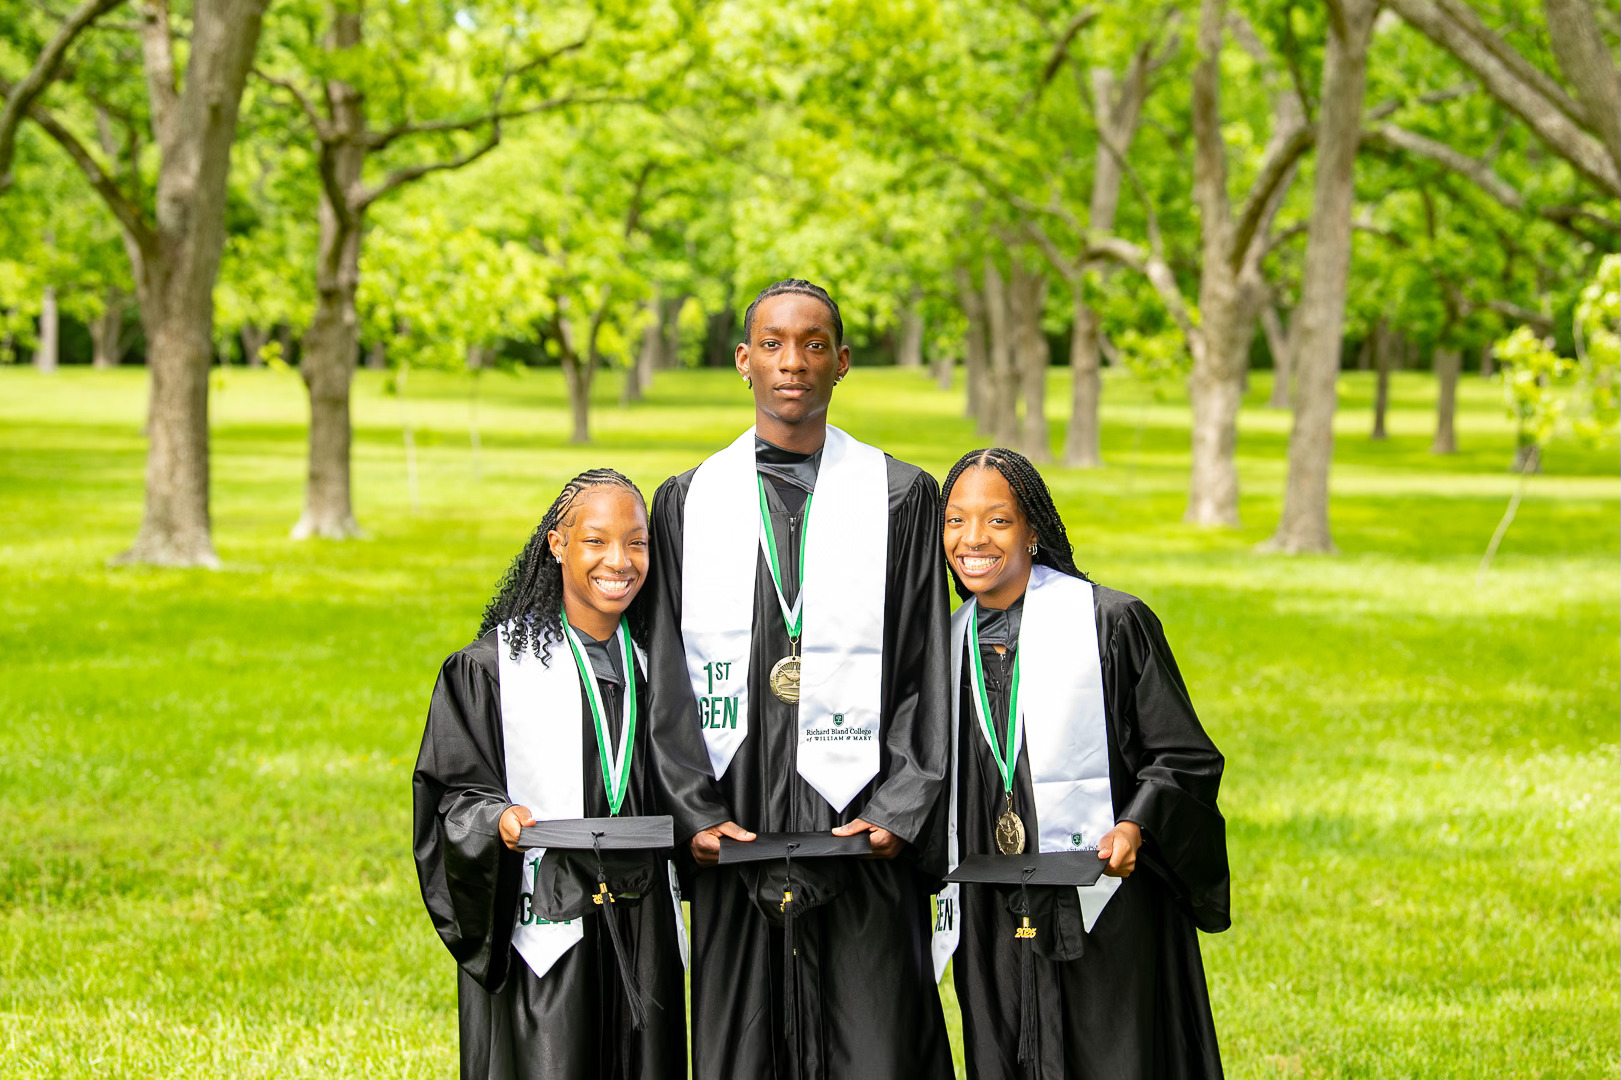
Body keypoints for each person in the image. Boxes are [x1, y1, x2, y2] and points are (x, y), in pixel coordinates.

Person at [645, 279, 955, 1079]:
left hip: (858, 826)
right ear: (743, 361)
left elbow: (925, 659)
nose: (794, 362)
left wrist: (898, 807)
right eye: (774, 345)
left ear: (842, 362)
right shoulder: (686, 501)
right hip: (735, 825)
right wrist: (695, 812)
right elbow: (669, 679)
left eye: (814, 345)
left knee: (875, 1040)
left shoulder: (901, 497)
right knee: (744, 1047)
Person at [931, 447, 1230, 1080]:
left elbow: (1182, 755)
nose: (972, 539)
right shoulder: (943, 645)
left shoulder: (1110, 623)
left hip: (1103, 900)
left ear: (1034, 530)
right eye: (955, 520)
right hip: (993, 906)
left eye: (998, 520)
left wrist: (1136, 825)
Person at [412, 469, 691, 1080]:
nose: (618, 560)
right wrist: (497, 818)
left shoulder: (662, 669)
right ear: (557, 544)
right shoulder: (492, 670)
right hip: (543, 925)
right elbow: (451, 793)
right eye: (595, 540)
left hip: (644, 922)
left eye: (636, 542)